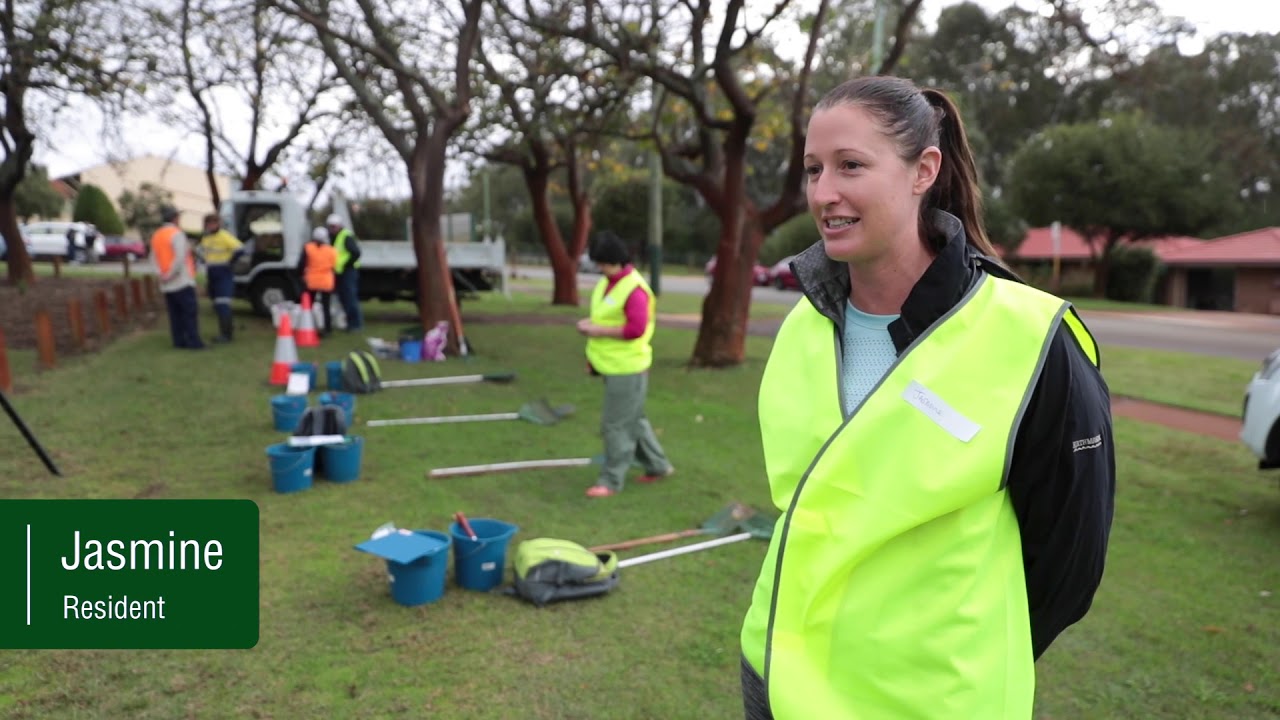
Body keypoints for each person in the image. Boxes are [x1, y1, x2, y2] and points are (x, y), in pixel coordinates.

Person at [738, 76, 1116, 719]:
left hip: (934, 701)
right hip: (778, 677)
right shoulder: (805, 321)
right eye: (812, 169)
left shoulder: (1031, 337)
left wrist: (960, 652)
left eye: (850, 165)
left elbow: (1068, 562)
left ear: (923, 171)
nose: (824, 192)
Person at [575, 231, 674, 499]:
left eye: (601, 262)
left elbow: (635, 329)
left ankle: (610, 481)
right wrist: (593, 358)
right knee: (634, 421)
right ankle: (658, 466)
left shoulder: (635, 289)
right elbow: (606, 318)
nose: (598, 267)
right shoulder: (607, 282)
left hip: (628, 368)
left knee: (615, 425)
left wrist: (595, 331)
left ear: (614, 260)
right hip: (612, 365)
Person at [150, 206, 204, 350]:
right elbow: (180, 258)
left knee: (175, 315)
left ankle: (178, 341)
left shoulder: (157, 235)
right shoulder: (177, 234)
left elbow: (153, 258)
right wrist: (170, 274)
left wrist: (161, 274)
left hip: (166, 283)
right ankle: (194, 342)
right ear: (174, 218)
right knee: (189, 313)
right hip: (181, 280)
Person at [197, 213, 244, 343]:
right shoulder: (206, 238)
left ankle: (226, 334)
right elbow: (202, 251)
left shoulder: (224, 236)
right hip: (212, 274)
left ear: (218, 224)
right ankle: (227, 329)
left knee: (223, 303)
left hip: (223, 273)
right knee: (217, 304)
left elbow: (240, 249)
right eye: (208, 223)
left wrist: (230, 262)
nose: (211, 226)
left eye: (213, 223)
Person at [296, 226, 337, 336]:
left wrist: (300, 276)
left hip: (312, 281)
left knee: (308, 306)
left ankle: (308, 326)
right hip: (326, 281)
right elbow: (334, 265)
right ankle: (328, 329)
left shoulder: (308, 248)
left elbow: (301, 265)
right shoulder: (332, 250)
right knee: (326, 307)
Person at [327, 213, 363, 331]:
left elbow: (355, 253)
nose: (331, 229)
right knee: (344, 298)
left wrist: (345, 265)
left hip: (348, 272)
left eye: (333, 226)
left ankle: (356, 325)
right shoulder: (334, 237)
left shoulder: (345, 236)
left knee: (350, 298)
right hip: (340, 272)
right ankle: (350, 323)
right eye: (330, 227)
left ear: (339, 226)